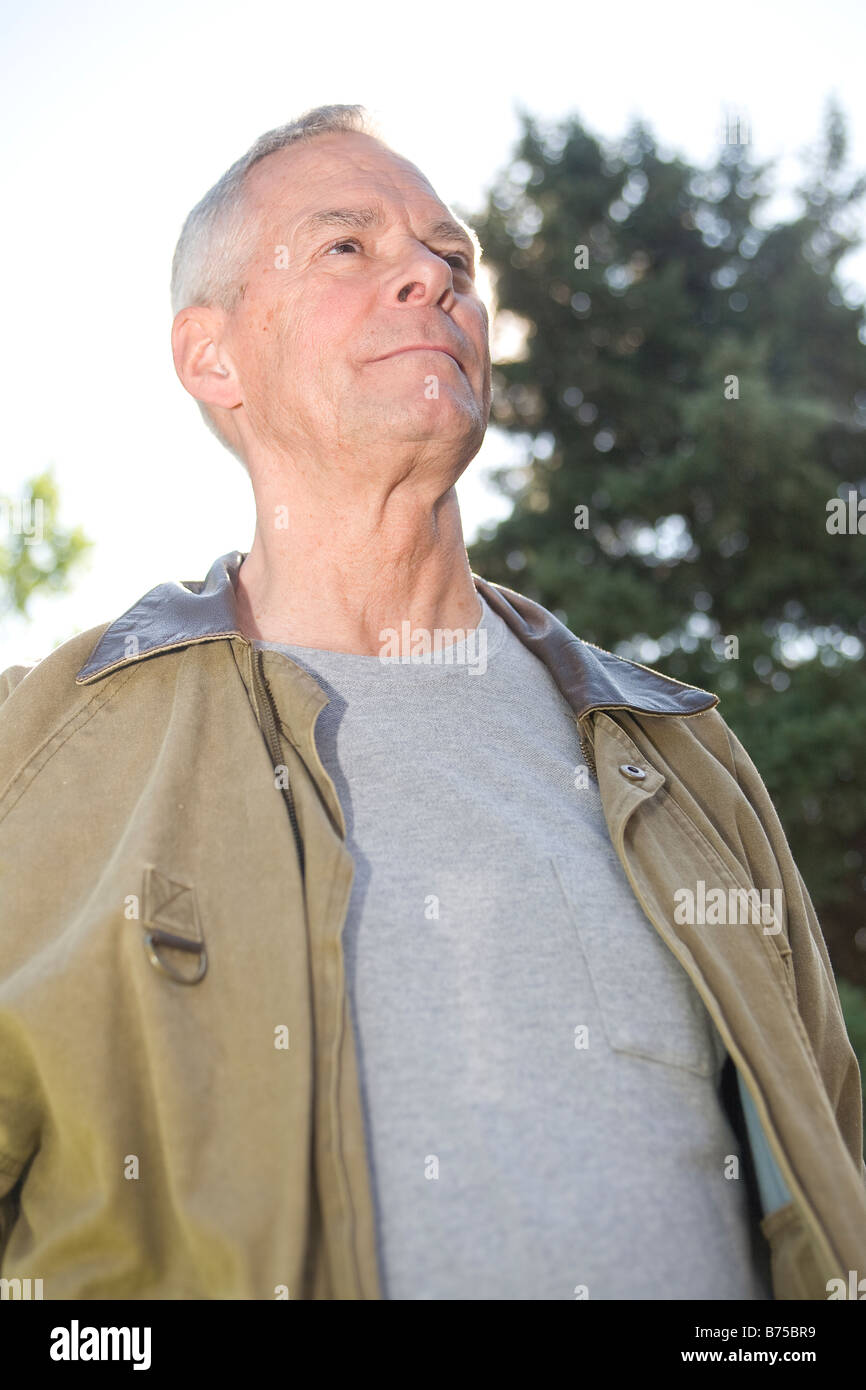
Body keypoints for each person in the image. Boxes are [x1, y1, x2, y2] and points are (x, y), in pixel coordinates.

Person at [0, 104, 864, 1302]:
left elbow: (833, 1175)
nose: (429, 276)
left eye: (449, 257)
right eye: (347, 247)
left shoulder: (683, 754)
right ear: (212, 356)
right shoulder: (38, 750)